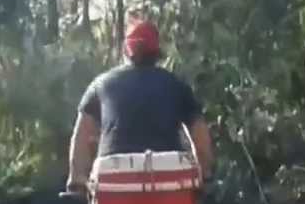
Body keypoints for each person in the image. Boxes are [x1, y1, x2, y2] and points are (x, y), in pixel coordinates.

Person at [66, 18, 214, 191]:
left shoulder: (100, 85)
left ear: (125, 51)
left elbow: (83, 134)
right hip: (169, 185)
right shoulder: (176, 85)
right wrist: (204, 173)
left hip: (113, 185)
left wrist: (76, 178)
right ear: (156, 52)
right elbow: (200, 135)